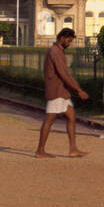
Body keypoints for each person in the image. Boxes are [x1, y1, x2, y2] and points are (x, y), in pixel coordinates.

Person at [36, 28, 89, 158]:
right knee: (49, 120)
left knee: (71, 117)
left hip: (62, 91)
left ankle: (73, 149)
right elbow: (63, 74)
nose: (69, 43)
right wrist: (78, 89)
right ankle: (40, 150)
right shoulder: (55, 52)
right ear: (62, 38)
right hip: (57, 91)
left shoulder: (57, 51)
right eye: (69, 40)